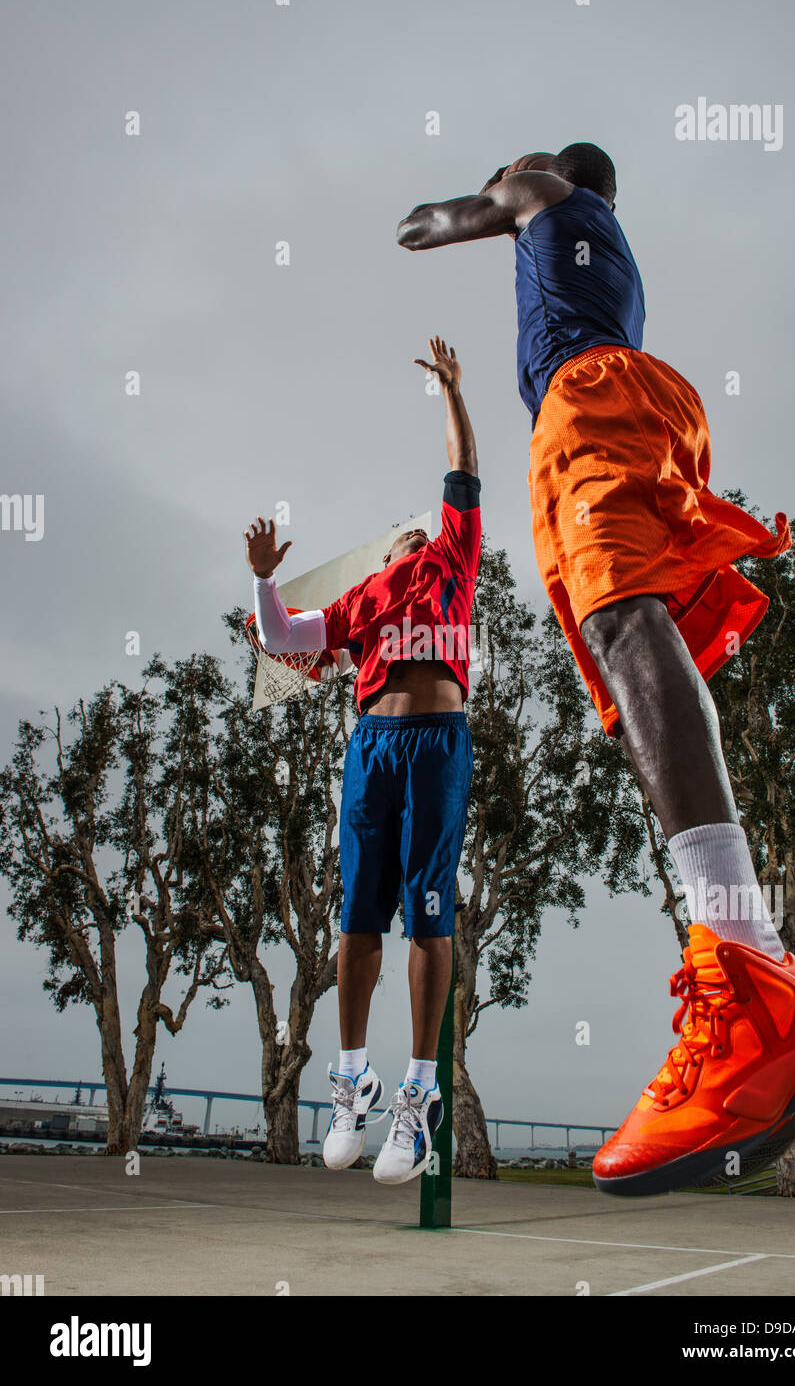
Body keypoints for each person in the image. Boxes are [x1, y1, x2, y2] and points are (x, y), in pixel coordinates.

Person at [397, 147, 795, 1194]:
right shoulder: (607, 251)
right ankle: (750, 964)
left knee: (618, 616)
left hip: (589, 395)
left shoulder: (543, 192)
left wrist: (432, 217)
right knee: (622, 638)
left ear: (561, 174)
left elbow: (441, 216)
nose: (513, 177)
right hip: (614, 401)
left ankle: (750, 968)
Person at [244, 337, 481, 1184]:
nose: (411, 534)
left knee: (428, 915)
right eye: (399, 537)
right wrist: (266, 580)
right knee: (357, 919)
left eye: (418, 528)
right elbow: (281, 639)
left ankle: (417, 1094)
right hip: (374, 748)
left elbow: (462, 472)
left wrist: (450, 391)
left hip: (437, 744)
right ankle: (351, 1079)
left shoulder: (453, 560)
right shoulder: (363, 603)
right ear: (381, 559)